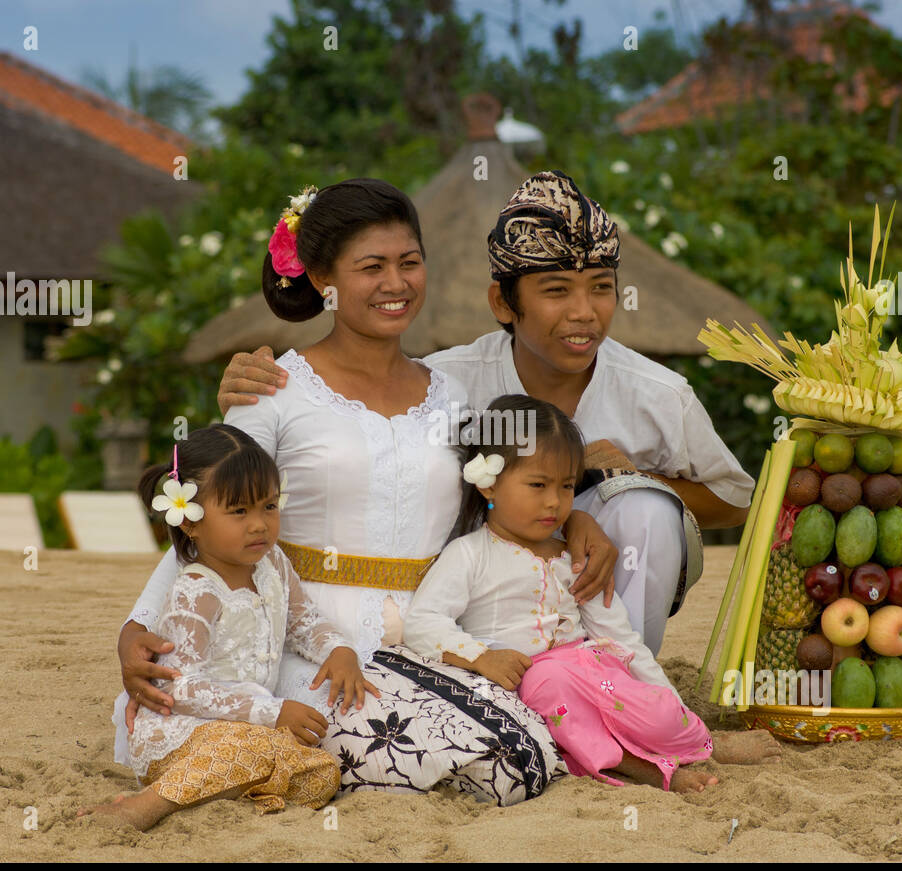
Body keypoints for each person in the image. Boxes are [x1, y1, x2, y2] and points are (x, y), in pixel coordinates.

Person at [116, 179, 625, 805]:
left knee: (527, 751)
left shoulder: (453, 399)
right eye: (372, 267)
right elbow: (220, 525)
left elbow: (517, 487)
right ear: (324, 279)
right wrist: (138, 623)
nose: (396, 282)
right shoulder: (272, 391)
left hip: (434, 633)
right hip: (313, 646)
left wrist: (573, 522)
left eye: (410, 262)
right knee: (498, 764)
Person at [214, 170, 755, 655]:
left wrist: (627, 481)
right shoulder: (453, 384)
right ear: (502, 303)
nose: (584, 313)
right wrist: (260, 403)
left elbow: (737, 499)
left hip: (599, 571)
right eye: (556, 290)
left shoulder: (658, 391)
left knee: (642, 509)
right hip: (472, 592)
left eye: (602, 289)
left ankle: (620, 683)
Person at [403, 395, 723, 793]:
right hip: (525, 692)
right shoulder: (468, 555)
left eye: (567, 486)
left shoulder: (573, 558)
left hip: (596, 683)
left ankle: (702, 741)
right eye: (538, 485)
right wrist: (482, 657)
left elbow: (622, 637)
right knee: (549, 678)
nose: (554, 502)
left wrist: (669, 701)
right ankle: (639, 768)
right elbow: (422, 622)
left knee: (655, 709)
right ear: (489, 484)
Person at [83, 424, 367, 831]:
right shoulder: (196, 591)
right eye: (239, 511)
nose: (259, 525)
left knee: (321, 771)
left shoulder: (274, 566)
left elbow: (305, 622)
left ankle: (209, 796)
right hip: (183, 733)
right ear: (191, 523)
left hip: (244, 732)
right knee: (249, 748)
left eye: (269, 506)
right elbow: (176, 687)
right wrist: (271, 712)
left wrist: (339, 650)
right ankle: (148, 803)